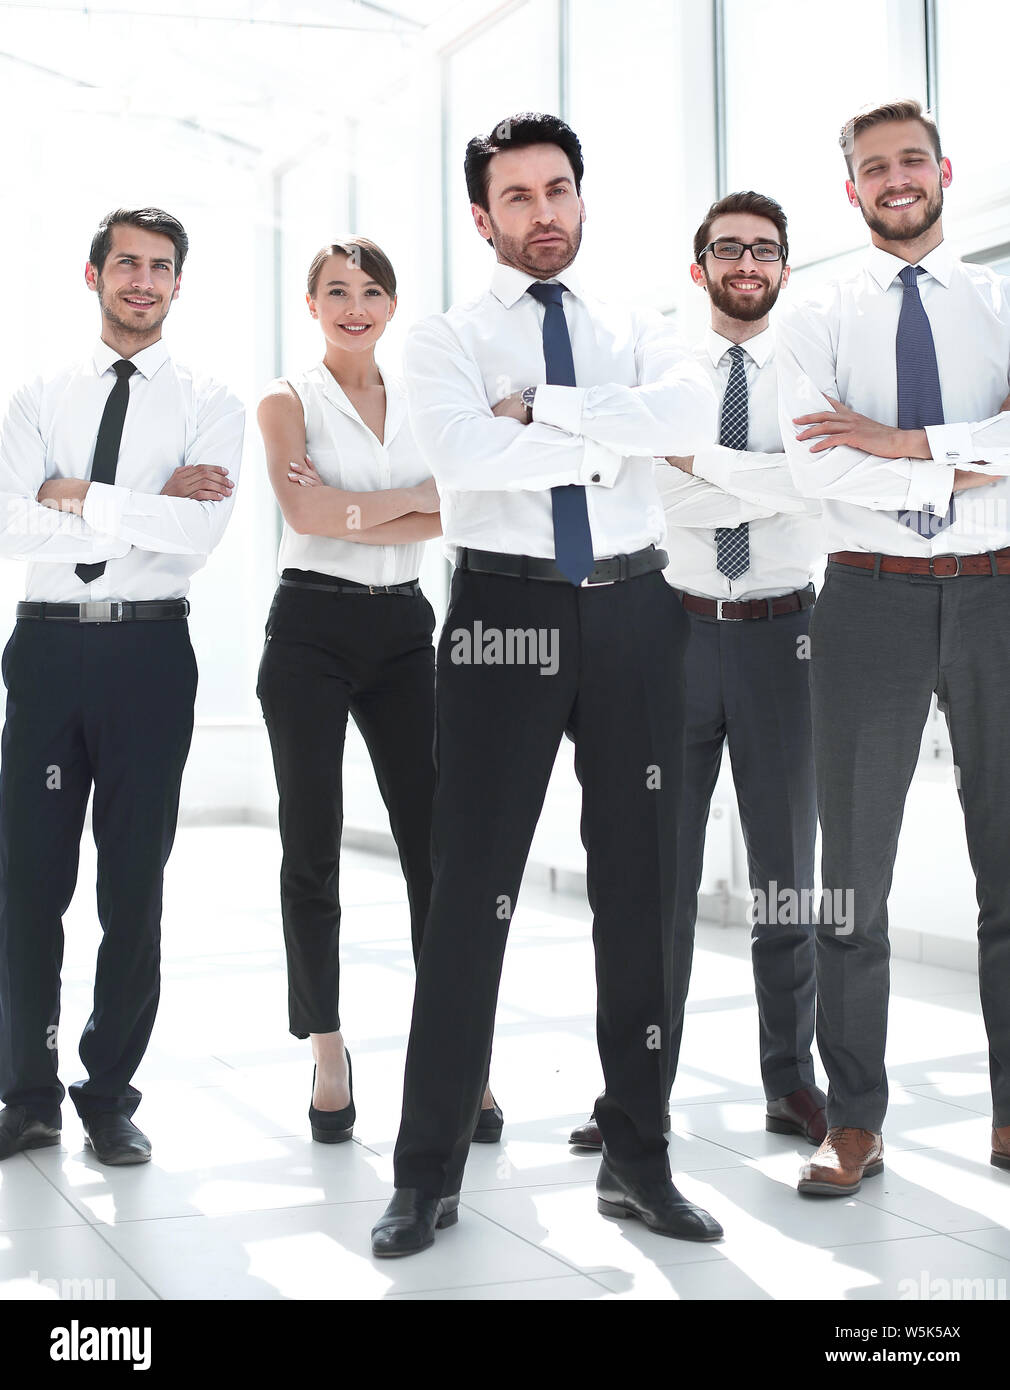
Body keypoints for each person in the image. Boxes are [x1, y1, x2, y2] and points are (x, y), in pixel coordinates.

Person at [371, 111, 723, 1258]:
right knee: (470, 889)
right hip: (502, 614)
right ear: (481, 218)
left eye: (557, 190)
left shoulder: (641, 326)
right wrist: (602, 436)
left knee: (642, 892)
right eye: (515, 197)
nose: (542, 214)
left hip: (633, 608)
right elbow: (464, 455)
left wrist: (546, 414)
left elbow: (685, 420)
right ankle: (424, 1171)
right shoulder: (438, 338)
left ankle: (638, 1156)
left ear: (582, 196)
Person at [776, 98, 1010, 1196]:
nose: (894, 177)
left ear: (943, 169)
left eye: (909, 158)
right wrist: (970, 456)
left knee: (1006, 871)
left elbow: (869, 450)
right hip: (865, 601)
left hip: (997, 597)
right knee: (848, 883)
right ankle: (854, 1121)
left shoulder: (1002, 299)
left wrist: (901, 442)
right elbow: (817, 467)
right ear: (851, 189)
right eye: (872, 166)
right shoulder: (813, 316)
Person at [568, 191, 826, 1155]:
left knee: (787, 882)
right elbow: (650, 486)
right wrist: (757, 475)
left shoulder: (809, 371)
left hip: (783, 638)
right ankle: (638, 1093)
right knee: (656, 883)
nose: (746, 262)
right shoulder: (662, 365)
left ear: (785, 267)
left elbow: (816, 485)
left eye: (764, 249)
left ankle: (791, 1081)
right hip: (670, 634)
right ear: (700, 266)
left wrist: (697, 460)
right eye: (729, 249)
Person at [0, 206, 242, 1165]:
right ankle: (25, 1090)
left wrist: (78, 497)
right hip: (50, 651)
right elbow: (10, 527)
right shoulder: (37, 396)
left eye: (163, 268)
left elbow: (199, 536)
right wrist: (144, 508)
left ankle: (107, 1092)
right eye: (128, 264)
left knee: (133, 883)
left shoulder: (210, 400)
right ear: (92, 273)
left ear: (179, 284)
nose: (145, 281)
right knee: (27, 882)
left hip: (148, 656)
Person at [256, 238, 500, 1145]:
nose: (354, 305)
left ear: (392, 306)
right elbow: (305, 516)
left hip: (405, 628)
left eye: (371, 291)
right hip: (309, 629)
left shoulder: (426, 403)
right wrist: (412, 503)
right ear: (311, 303)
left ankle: (458, 1060)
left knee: (435, 852)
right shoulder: (286, 400)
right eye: (336, 292)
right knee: (310, 848)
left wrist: (368, 508)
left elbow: (463, 508)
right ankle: (327, 1052)